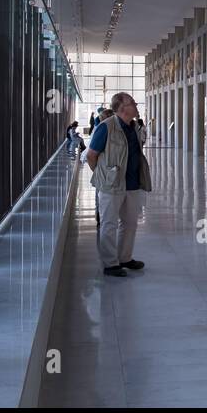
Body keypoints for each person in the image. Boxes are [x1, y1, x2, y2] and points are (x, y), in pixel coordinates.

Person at [86, 92, 151, 278]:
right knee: (109, 223)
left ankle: (125, 258)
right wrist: (104, 176)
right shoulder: (106, 127)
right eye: (132, 102)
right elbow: (92, 155)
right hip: (111, 185)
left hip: (132, 183)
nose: (136, 104)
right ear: (122, 108)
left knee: (130, 223)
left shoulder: (133, 126)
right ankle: (110, 263)